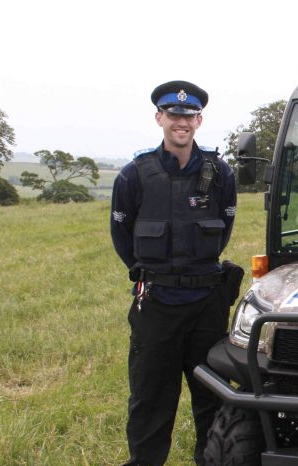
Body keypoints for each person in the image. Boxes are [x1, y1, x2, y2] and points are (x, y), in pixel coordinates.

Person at [110, 80, 241, 466]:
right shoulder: (134, 175)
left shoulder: (220, 174)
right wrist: (155, 274)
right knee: (150, 398)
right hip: (157, 304)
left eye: (188, 116)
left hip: (206, 303)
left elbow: (223, 230)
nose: (180, 122)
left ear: (198, 120)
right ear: (159, 118)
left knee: (213, 397)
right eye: (173, 115)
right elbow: (122, 235)